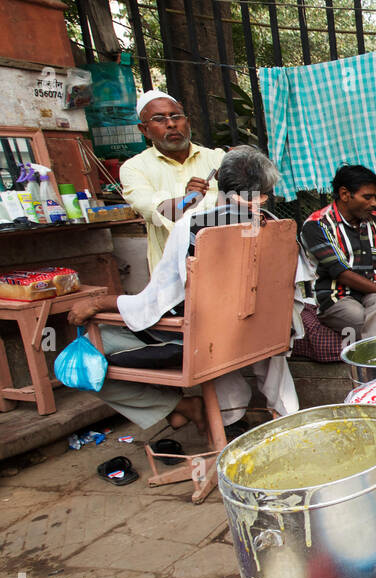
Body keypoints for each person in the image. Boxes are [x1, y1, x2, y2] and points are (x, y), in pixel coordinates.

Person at [68, 146, 299, 434]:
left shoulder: (195, 226)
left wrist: (101, 303)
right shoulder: (278, 227)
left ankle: (206, 414)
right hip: (262, 333)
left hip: (207, 340)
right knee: (226, 320)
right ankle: (287, 419)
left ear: (220, 185)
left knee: (85, 351)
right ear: (264, 193)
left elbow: (158, 300)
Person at [299, 165, 376, 342]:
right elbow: (341, 273)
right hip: (337, 299)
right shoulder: (318, 225)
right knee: (370, 319)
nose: (374, 203)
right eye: (367, 197)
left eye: (375, 197)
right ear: (344, 194)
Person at [119, 90, 226, 273]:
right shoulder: (134, 168)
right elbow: (154, 211)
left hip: (225, 262)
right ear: (144, 130)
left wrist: (246, 162)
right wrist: (187, 200)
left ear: (187, 122)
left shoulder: (217, 158)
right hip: (174, 275)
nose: (171, 124)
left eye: (176, 116)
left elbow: (245, 202)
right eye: (159, 119)